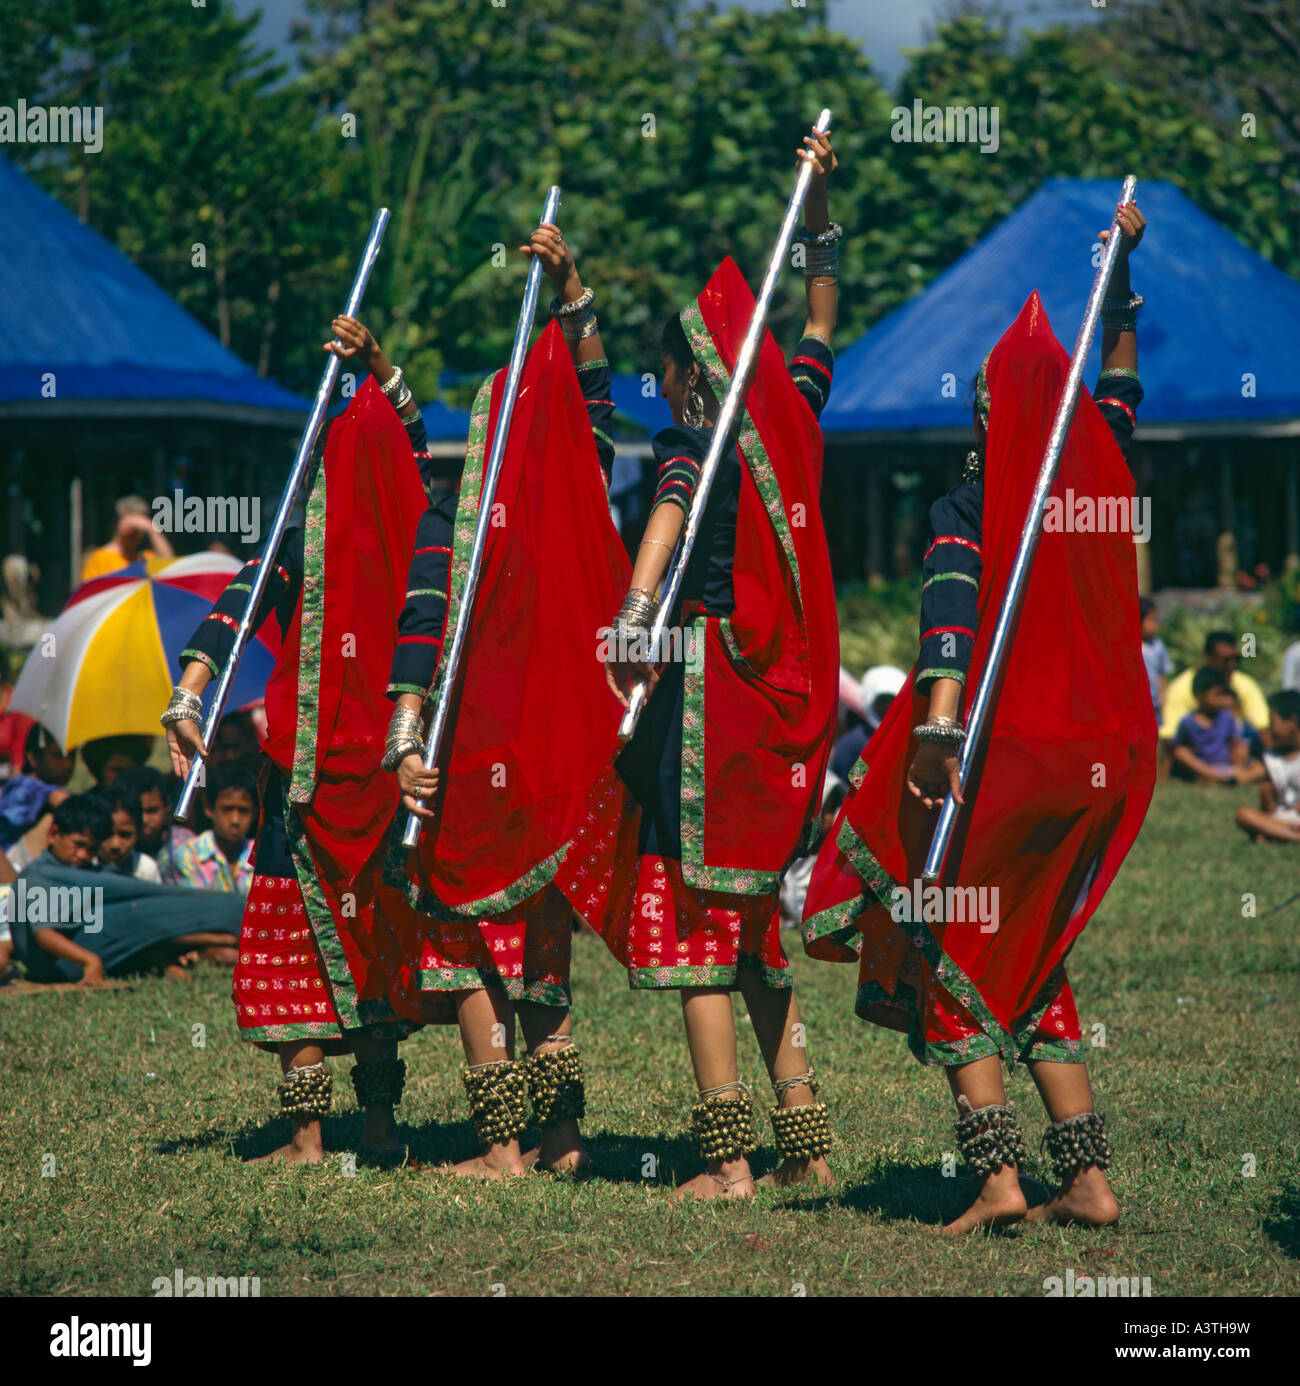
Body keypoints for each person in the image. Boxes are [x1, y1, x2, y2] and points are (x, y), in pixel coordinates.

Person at [805, 201, 1156, 1234]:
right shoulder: (1097, 473)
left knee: (952, 944)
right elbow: (1122, 388)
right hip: (1098, 759)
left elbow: (948, 630)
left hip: (1000, 759)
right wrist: (1122, 281)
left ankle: (1000, 1181)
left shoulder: (971, 510)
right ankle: (1085, 1184)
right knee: (1032, 947)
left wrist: (934, 732)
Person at [561, 125, 841, 1200]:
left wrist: (632, 621)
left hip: (709, 689)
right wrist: (818, 203)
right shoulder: (790, 413)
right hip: (778, 695)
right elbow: (820, 313)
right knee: (756, 913)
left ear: (684, 371)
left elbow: (667, 524)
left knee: (695, 926)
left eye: (668, 367)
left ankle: (727, 1162)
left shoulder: (694, 436)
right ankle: (804, 1141)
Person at [164, 315, 447, 1165]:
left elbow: (233, 611)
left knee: (303, 952)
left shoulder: (365, 545)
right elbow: (238, 608)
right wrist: (187, 698)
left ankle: (309, 1139)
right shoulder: (419, 544)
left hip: (320, 785)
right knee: (366, 947)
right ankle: (381, 1130)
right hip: (372, 781)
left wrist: (189, 696)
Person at [384, 221, 629, 1179]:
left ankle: (502, 1149)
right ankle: (561, 1140)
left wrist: (407, 740)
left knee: (470, 938)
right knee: (541, 948)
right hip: (538, 753)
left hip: (477, 751)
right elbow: (599, 406)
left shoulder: (491, 503)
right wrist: (576, 298)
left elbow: (415, 628)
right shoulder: (545, 492)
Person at [5, 794, 241, 984]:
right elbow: (44, 934)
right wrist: (90, 961)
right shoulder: (38, 875)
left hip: (99, 948)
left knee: (141, 912)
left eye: (91, 849)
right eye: (78, 845)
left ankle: (230, 936)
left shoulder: (81, 872)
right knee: (138, 915)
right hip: (59, 966)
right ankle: (230, 934)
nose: (83, 855)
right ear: (54, 833)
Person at [1160, 630, 1270, 746]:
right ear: (1208, 657)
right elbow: (1170, 738)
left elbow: (1262, 727)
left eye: (1236, 659)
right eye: (1226, 660)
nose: (1232, 665)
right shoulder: (1181, 688)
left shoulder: (1245, 684)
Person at [165, 762, 256, 893]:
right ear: (208, 808)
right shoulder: (189, 855)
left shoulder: (261, 855)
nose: (235, 820)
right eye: (227, 809)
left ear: (254, 813)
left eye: (243, 810)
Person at [0, 724, 74, 880]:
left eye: (72, 756)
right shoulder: (22, 786)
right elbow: (58, 798)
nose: (68, 764)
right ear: (32, 758)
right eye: (58, 756)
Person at [1169, 668, 1264, 784]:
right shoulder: (1188, 721)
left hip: (1226, 766)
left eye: (1223, 694)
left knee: (1258, 767)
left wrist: (1240, 759)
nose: (1221, 700)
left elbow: (1233, 743)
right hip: (1203, 767)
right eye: (1217, 695)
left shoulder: (1227, 718)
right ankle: (1215, 777)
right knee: (1181, 753)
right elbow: (1180, 749)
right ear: (1200, 696)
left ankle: (1231, 779)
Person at [1236, 691, 1300, 842]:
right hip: (1286, 818)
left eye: (1272, 723)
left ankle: (1277, 835)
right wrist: (1268, 801)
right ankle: (1290, 835)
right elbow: (1272, 811)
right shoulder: (1270, 759)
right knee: (1243, 814)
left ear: (1291, 721)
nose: (1268, 729)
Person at [831, 665, 906, 782]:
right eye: (882, 701)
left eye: (892, 700)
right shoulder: (858, 743)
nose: (887, 707)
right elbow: (855, 783)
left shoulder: (910, 739)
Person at [80, 495, 175, 583]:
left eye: (138, 529)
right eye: (131, 527)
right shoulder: (100, 558)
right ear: (118, 521)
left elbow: (169, 564)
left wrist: (151, 529)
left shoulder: (144, 558)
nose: (133, 534)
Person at [115, 765, 195, 869]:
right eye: (136, 812)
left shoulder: (185, 844)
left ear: (167, 805)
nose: (144, 820)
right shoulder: (116, 848)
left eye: (151, 811)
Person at [91, 780, 163, 882]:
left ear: (138, 833)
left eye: (125, 835)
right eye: (106, 834)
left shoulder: (145, 869)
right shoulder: (82, 865)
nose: (115, 845)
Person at [1139, 597, 1172, 718]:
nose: (1156, 624)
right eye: (1152, 620)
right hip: (1138, 702)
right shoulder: (1132, 647)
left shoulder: (1158, 646)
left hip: (1154, 703)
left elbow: (1162, 673)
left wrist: (1163, 695)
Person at [80, 734, 151, 788]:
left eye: (130, 769)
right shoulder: (87, 805)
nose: (125, 776)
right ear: (99, 771)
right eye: (117, 770)